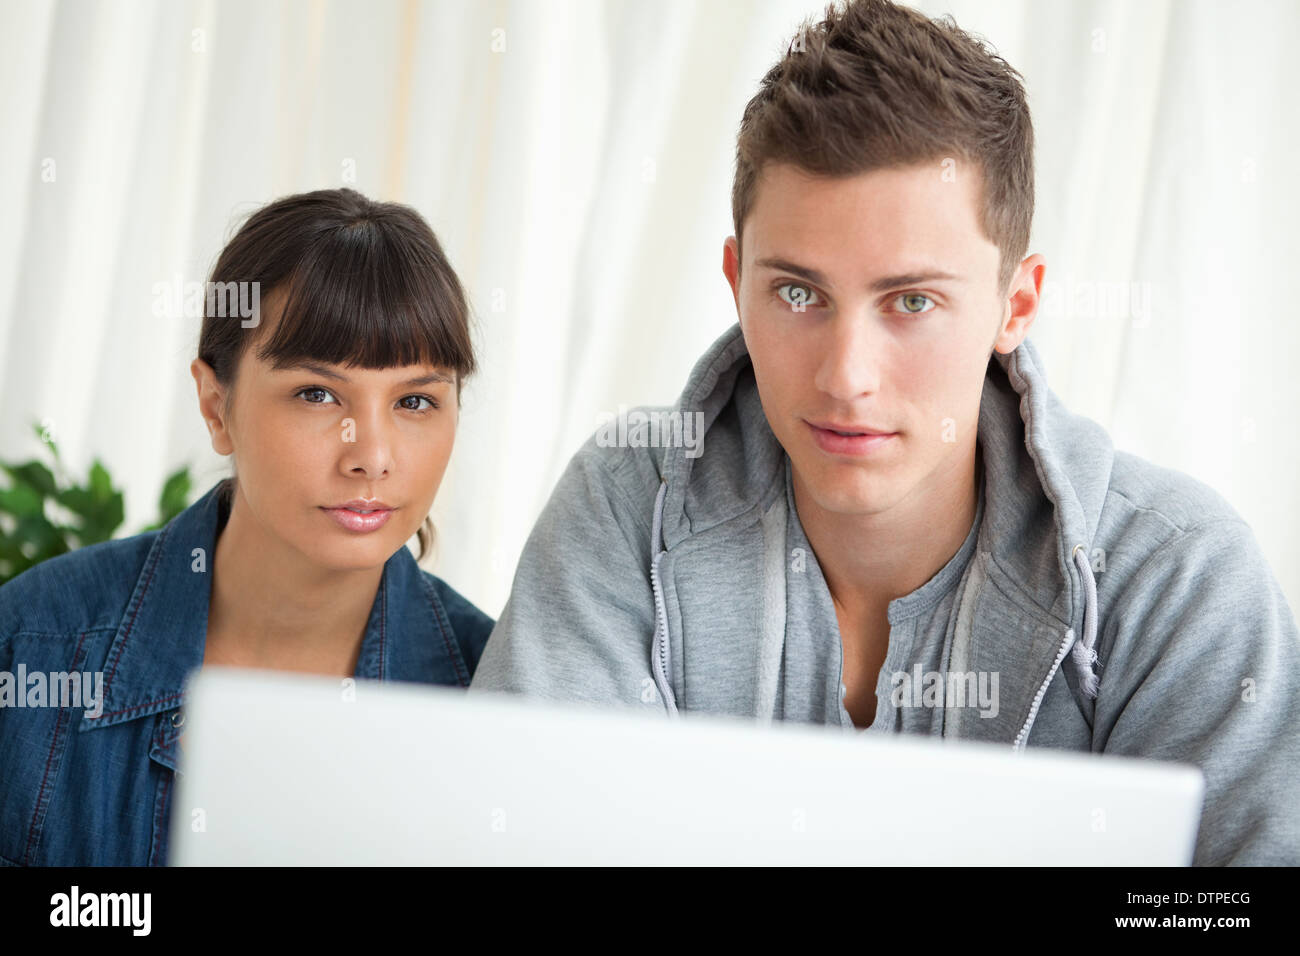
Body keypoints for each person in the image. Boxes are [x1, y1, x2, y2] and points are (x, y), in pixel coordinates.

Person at [470, 0, 1300, 865]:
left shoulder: (1178, 574)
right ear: (735, 279)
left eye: (912, 302)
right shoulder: (626, 500)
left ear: (1015, 305)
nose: (844, 375)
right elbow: (510, 845)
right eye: (797, 293)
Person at [0, 188, 493, 865]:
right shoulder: (31, 647)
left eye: (415, 400)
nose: (372, 456)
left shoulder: (490, 698)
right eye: (317, 394)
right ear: (215, 405)